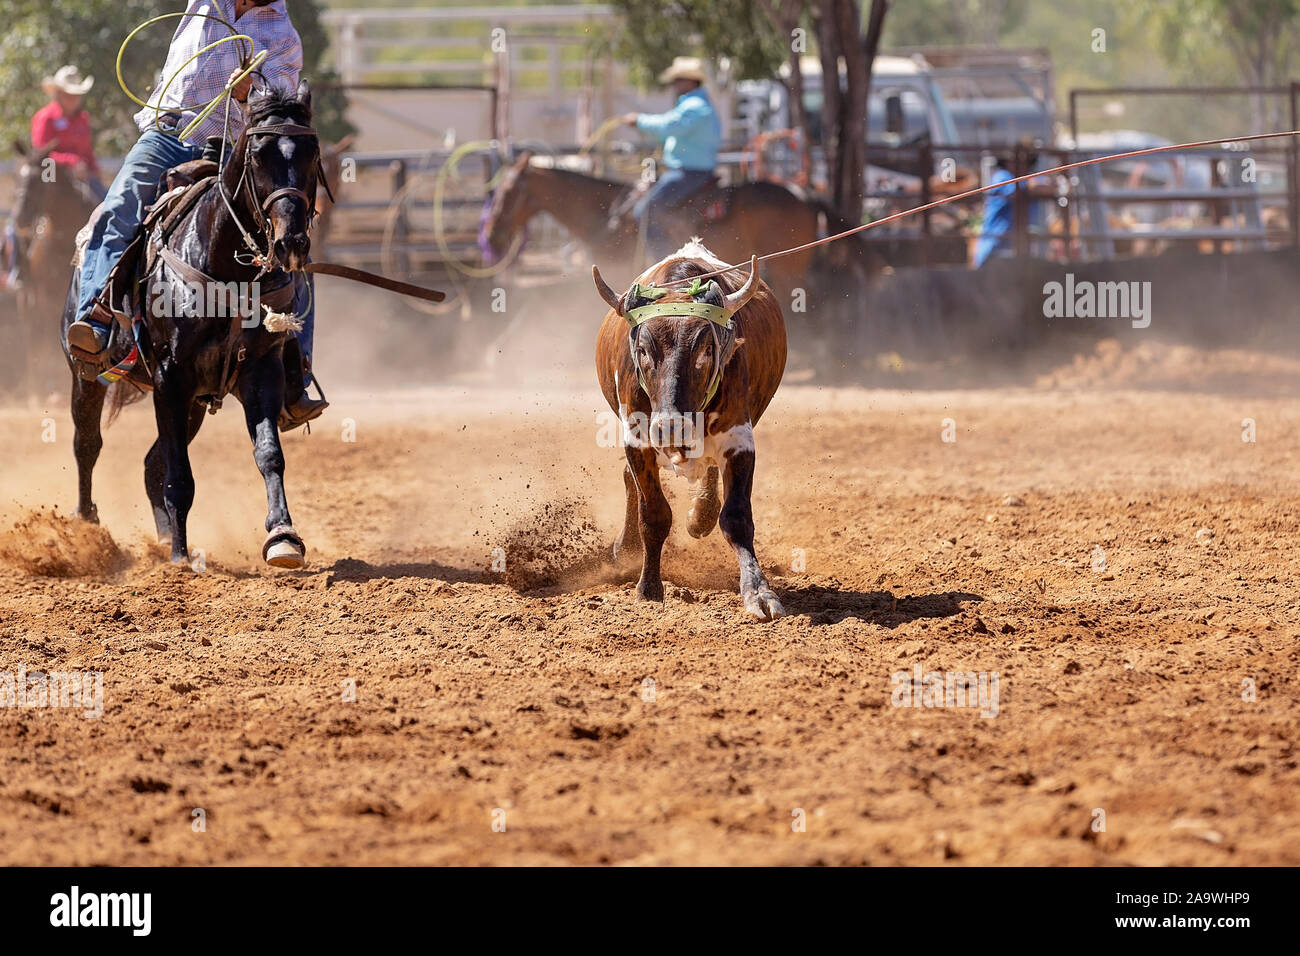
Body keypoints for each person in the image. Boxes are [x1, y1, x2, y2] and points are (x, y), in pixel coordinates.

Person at [68, 0, 325, 427]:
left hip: (230, 151)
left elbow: (278, 104)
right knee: (119, 209)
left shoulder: (283, 35)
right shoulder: (207, 2)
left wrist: (251, 90)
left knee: (293, 248)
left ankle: (294, 374)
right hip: (167, 133)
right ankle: (95, 319)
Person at [622, 56, 721, 260]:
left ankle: (665, 263)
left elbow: (669, 126)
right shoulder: (697, 104)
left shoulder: (694, 106)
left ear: (690, 81)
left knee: (645, 211)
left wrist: (640, 121)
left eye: (678, 79)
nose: (675, 84)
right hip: (689, 172)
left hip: (688, 174)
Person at [32, 65, 105, 202]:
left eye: (77, 95)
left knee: (108, 204)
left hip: (84, 177)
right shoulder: (46, 117)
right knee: (36, 202)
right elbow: (41, 154)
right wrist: (72, 161)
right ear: (58, 94)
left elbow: (87, 151)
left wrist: (94, 170)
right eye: (69, 94)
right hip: (52, 175)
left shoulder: (83, 118)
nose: (74, 99)